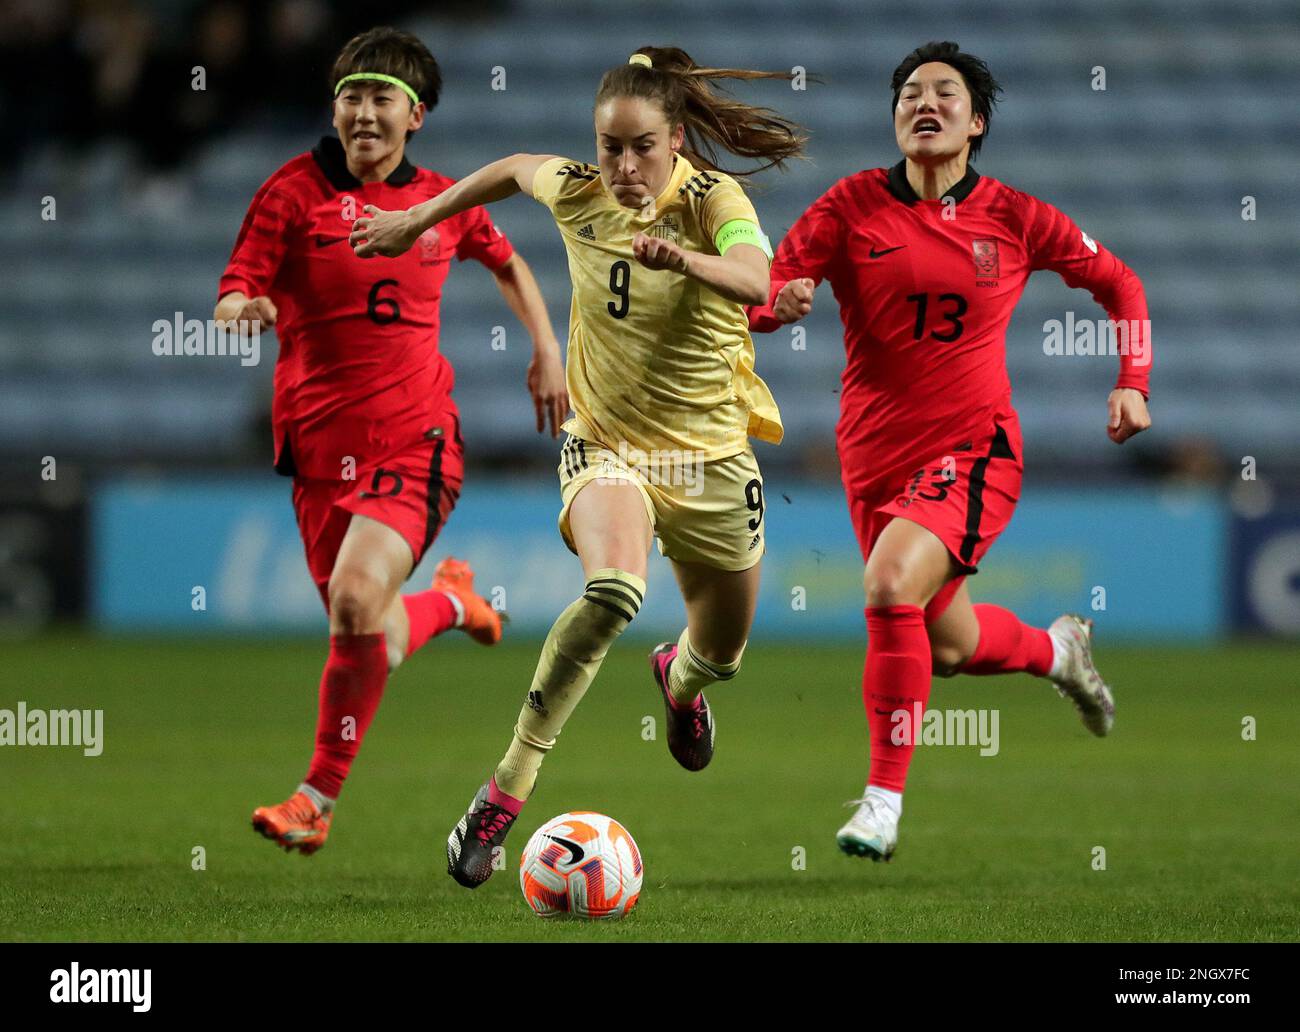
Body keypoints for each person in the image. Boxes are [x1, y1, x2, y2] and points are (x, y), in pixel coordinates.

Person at [351, 45, 806, 887]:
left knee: (722, 654)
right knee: (613, 592)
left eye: (641, 147)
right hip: (608, 443)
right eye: (609, 146)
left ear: (675, 141)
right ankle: (505, 790)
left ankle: (679, 682)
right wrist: (418, 220)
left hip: (708, 458)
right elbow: (512, 169)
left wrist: (686, 261)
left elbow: (754, 275)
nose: (624, 165)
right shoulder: (577, 191)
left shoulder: (714, 201)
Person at [748, 40, 1152, 862]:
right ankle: (1058, 651)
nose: (924, 104)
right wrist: (776, 306)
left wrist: (1133, 378)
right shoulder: (850, 206)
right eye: (909, 95)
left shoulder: (1016, 216)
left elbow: (1121, 284)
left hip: (976, 448)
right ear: (895, 117)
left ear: (976, 123)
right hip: (873, 456)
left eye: (945, 94)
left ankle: (881, 803)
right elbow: (760, 293)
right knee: (950, 644)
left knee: (888, 584)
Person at [214, 26, 568, 855]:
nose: (364, 113)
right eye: (351, 96)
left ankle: (315, 798)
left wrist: (548, 348)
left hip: (417, 441)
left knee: (351, 601)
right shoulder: (289, 194)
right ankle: (453, 603)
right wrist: (247, 312)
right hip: (314, 455)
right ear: (333, 108)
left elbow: (508, 261)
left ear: (417, 116)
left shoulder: (443, 200)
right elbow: (232, 294)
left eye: (382, 99)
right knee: (365, 626)